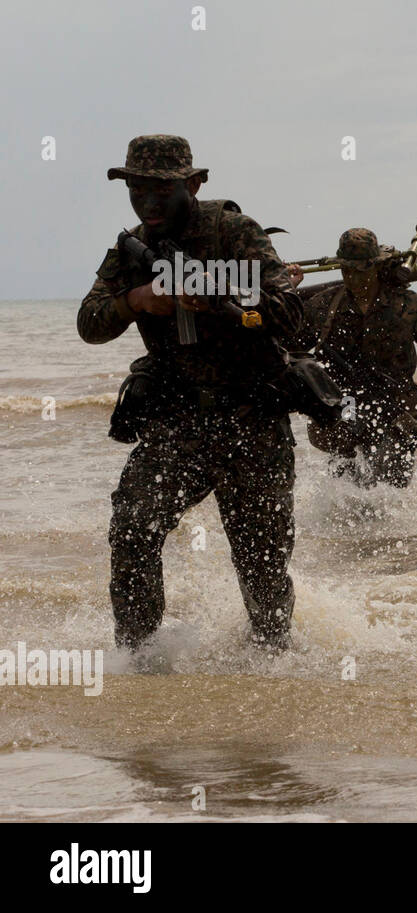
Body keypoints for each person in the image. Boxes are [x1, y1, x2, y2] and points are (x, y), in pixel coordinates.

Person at [78, 135, 304, 652]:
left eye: (161, 190)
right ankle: (141, 662)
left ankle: (274, 672)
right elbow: (89, 323)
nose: (148, 202)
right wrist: (138, 299)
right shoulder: (130, 250)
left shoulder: (235, 232)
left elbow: (292, 317)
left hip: (252, 422)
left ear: (195, 183)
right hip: (175, 426)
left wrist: (222, 298)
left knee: (262, 563)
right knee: (132, 532)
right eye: (137, 190)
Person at [289, 229, 417, 488]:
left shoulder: (407, 304)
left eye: (360, 271)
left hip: (396, 407)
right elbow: (285, 346)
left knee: (391, 487)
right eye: (347, 270)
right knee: (347, 492)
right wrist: (288, 296)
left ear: (375, 267)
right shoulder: (322, 307)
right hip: (345, 408)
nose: (352, 277)